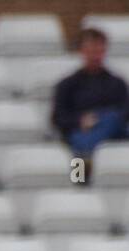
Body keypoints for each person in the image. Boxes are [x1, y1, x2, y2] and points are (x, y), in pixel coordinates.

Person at [52, 27, 129, 169]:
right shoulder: (67, 85)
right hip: (80, 135)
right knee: (79, 143)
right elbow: (58, 117)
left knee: (112, 119)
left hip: (115, 136)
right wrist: (81, 121)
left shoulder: (117, 83)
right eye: (91, 51)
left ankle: (90, 152)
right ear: (81, 51)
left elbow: (124, 113)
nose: (95, 56)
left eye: (99, 51)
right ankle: (82, 169)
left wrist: (101, 120)